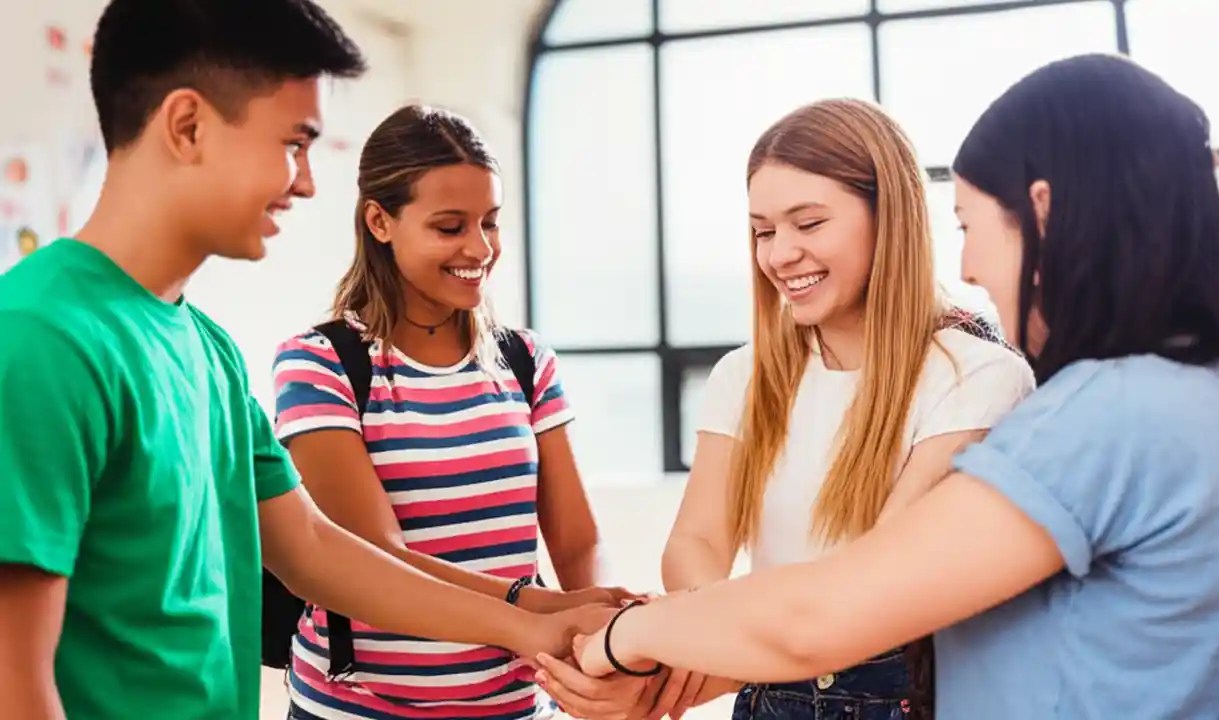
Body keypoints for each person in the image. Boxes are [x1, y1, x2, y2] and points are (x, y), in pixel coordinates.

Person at [565, 53, 1219, 719]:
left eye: (970, 224)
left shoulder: (1111, 414)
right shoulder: (1199, 388)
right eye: (762, 230)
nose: (966, 266)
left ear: (1042, 210)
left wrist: (628, 636)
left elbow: (831, 614)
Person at [0, 2, 612, 719]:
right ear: (187, 125)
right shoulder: (37, 337)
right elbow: (15, 684)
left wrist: (535, 623)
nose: (307, 182)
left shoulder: (208, 351)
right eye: (295, 143)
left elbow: (317, 549)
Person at [597, 98, 1030, 720]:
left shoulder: (978, 375)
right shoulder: (742, 375)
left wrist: (699, 642)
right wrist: (723, 636)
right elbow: (697, 539)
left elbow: (880, 585)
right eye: (764, 231)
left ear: (890, 217)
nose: (778, 255)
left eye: (809, 223)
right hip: (767, 686)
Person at [272, 105, 629, 719]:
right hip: (359, 709)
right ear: (380, 221)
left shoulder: (525, 360)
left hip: (516, 706)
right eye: (449, 227)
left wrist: (596, 645)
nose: (481, 248)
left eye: (490, 223)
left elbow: (576, 540)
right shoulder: (320, 364)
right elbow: (377, 561)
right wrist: (538, 610)